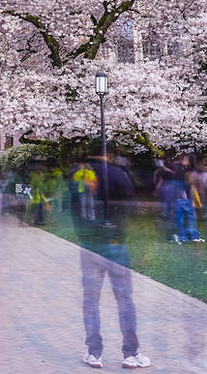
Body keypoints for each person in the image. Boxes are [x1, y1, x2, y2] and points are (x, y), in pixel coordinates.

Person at [76, 156, 150, 369]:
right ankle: (131, 352)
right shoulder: (119, 174)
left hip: (90, 245)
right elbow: (132, 205)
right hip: (116, 243)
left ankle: (94, 352)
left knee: (91, 300)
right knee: (125, 299)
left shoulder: (81, 174)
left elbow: (74, 208)